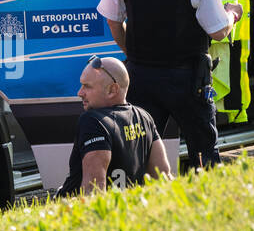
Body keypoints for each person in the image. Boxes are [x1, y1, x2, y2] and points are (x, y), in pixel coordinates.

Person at [98, 0, 239, 170]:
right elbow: (219, 31)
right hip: (187, 80)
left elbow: (112, 19)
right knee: (204, 154)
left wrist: (131, 52)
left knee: (138, 155)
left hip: (141, 76)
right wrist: (232, 13)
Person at [57, 56, 173, 195]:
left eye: (87, 86)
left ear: (112, 90)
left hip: (78, 211)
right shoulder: (144, 117)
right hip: (129, 207)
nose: (80, 93)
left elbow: (93, 190)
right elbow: (163, 178)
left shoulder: (93, 121)